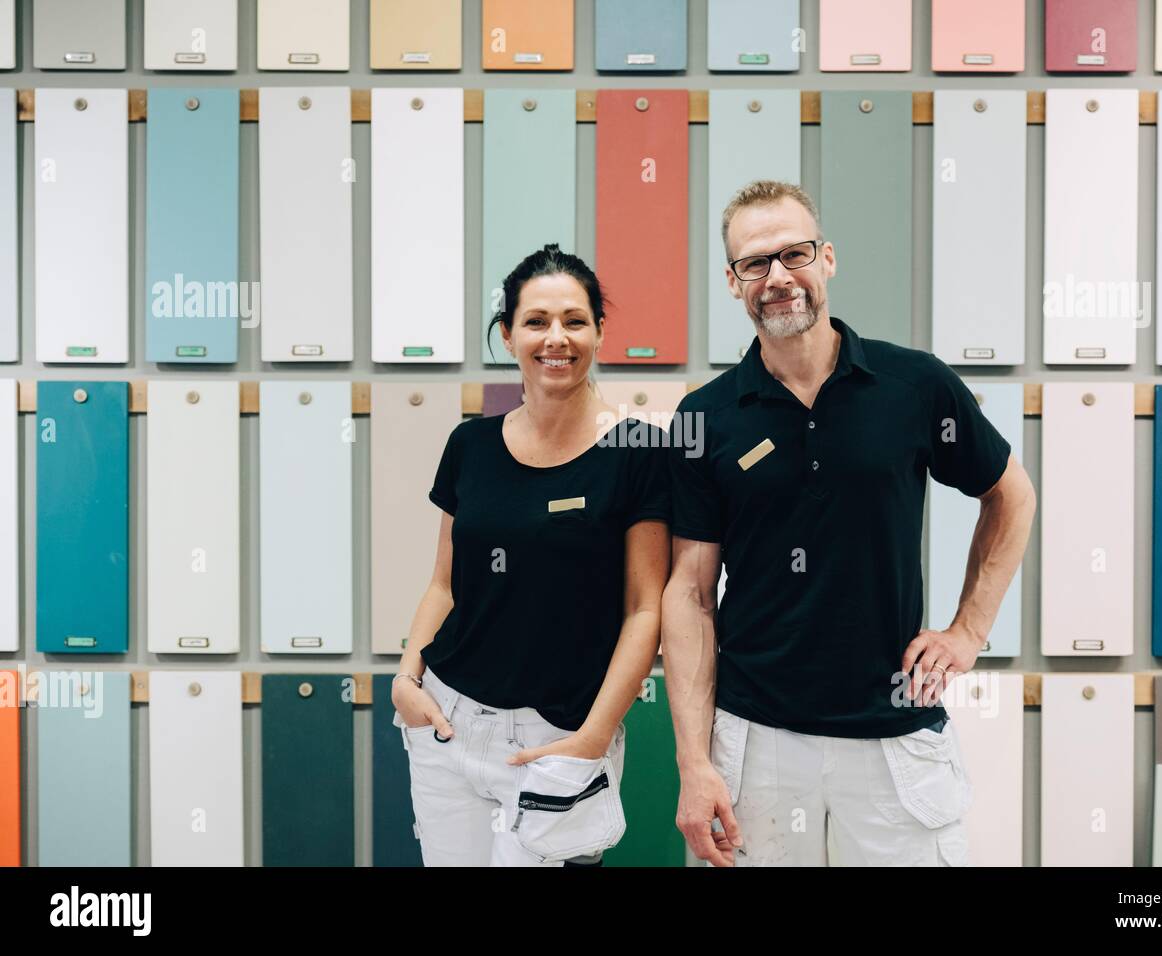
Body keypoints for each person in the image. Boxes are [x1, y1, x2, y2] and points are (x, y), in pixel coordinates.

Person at [662, 181, 1037, 867]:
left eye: (794, 254)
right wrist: (692, 761)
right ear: (732, 281)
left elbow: (1011, 495)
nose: (778, 277)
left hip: (894, 732)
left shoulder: (916, 385)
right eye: (755, 263)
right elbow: (689, 592)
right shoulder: (704, 418)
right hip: (756, 740)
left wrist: (968, 631)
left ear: (826, 259)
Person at [391, 244, 670, 866]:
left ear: (600, 331)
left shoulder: (638, 452)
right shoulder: (471, 445)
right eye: (537, 321)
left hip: (558, 736)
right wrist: (407, 678)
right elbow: (444, 584)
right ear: (508, 334)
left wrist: (593, 738)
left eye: (574, 320)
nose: (556, 338)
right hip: (447, 718)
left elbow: (644, 610)